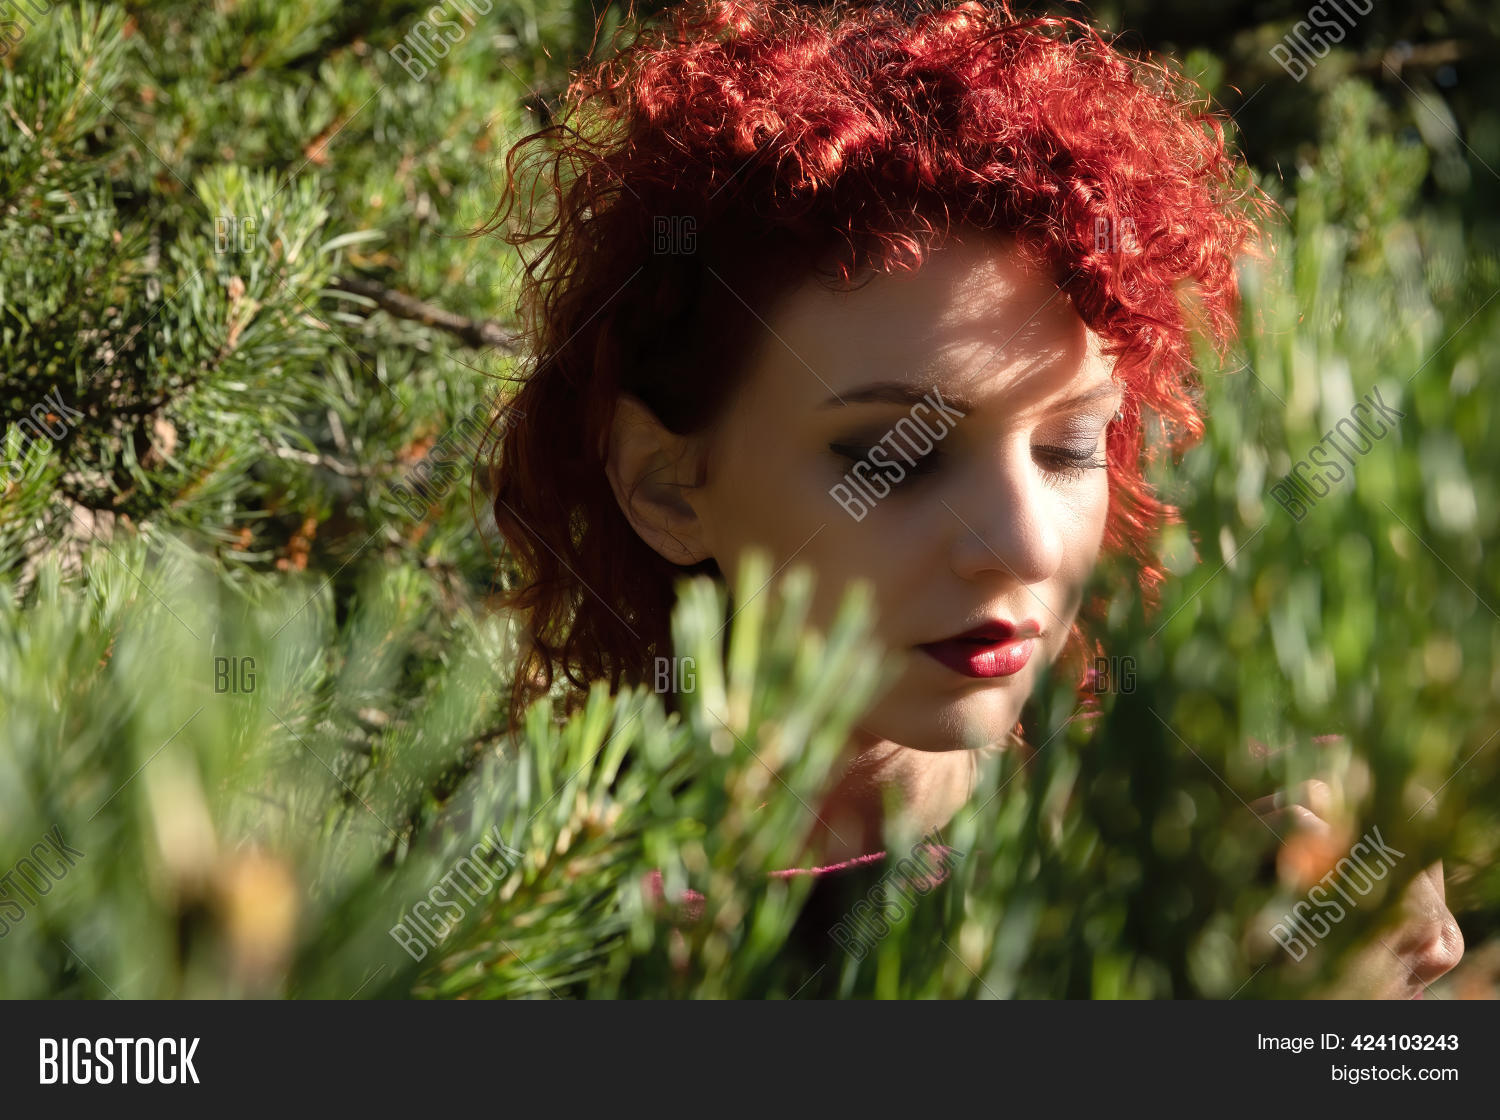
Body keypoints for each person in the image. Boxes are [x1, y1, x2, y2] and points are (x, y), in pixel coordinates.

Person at [481, 0, 1461, 996]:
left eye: (1071, 444)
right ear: (665, 483)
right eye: (897, 459)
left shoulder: (1192, 841)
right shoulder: (545, 962)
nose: (1025, 542)